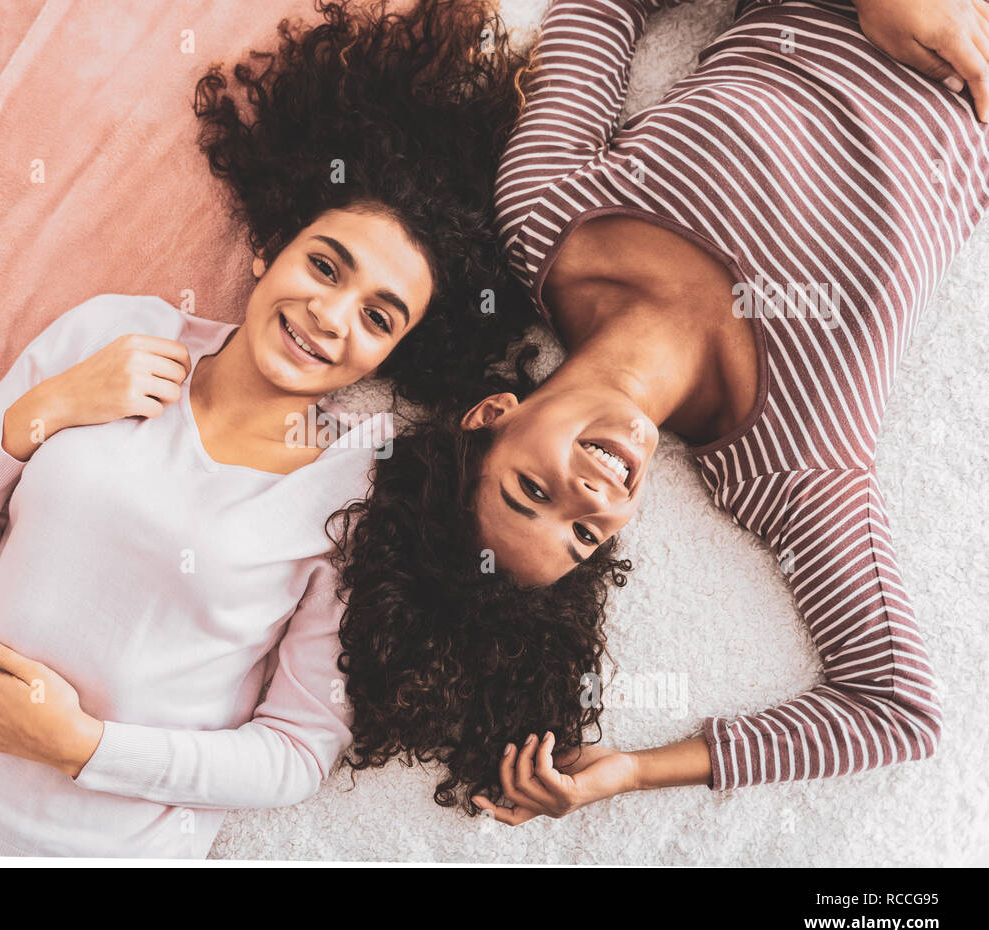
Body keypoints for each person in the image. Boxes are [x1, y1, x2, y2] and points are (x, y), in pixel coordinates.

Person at [0, 0, 536, 857]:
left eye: (378, 317)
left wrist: (85, 748)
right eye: (325, 265)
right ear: (271, 247)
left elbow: (298, 752)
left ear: (393, 355)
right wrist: (44, 411)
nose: (331, 317)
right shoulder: (115, 333)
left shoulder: (360, 485)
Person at [328, 0, 985, 822]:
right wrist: (633, 771)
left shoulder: (544, 217)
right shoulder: (793, 460)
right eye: (586, 533)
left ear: (492, 413)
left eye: (532, 489)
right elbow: (894, 708)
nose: (593, 496)